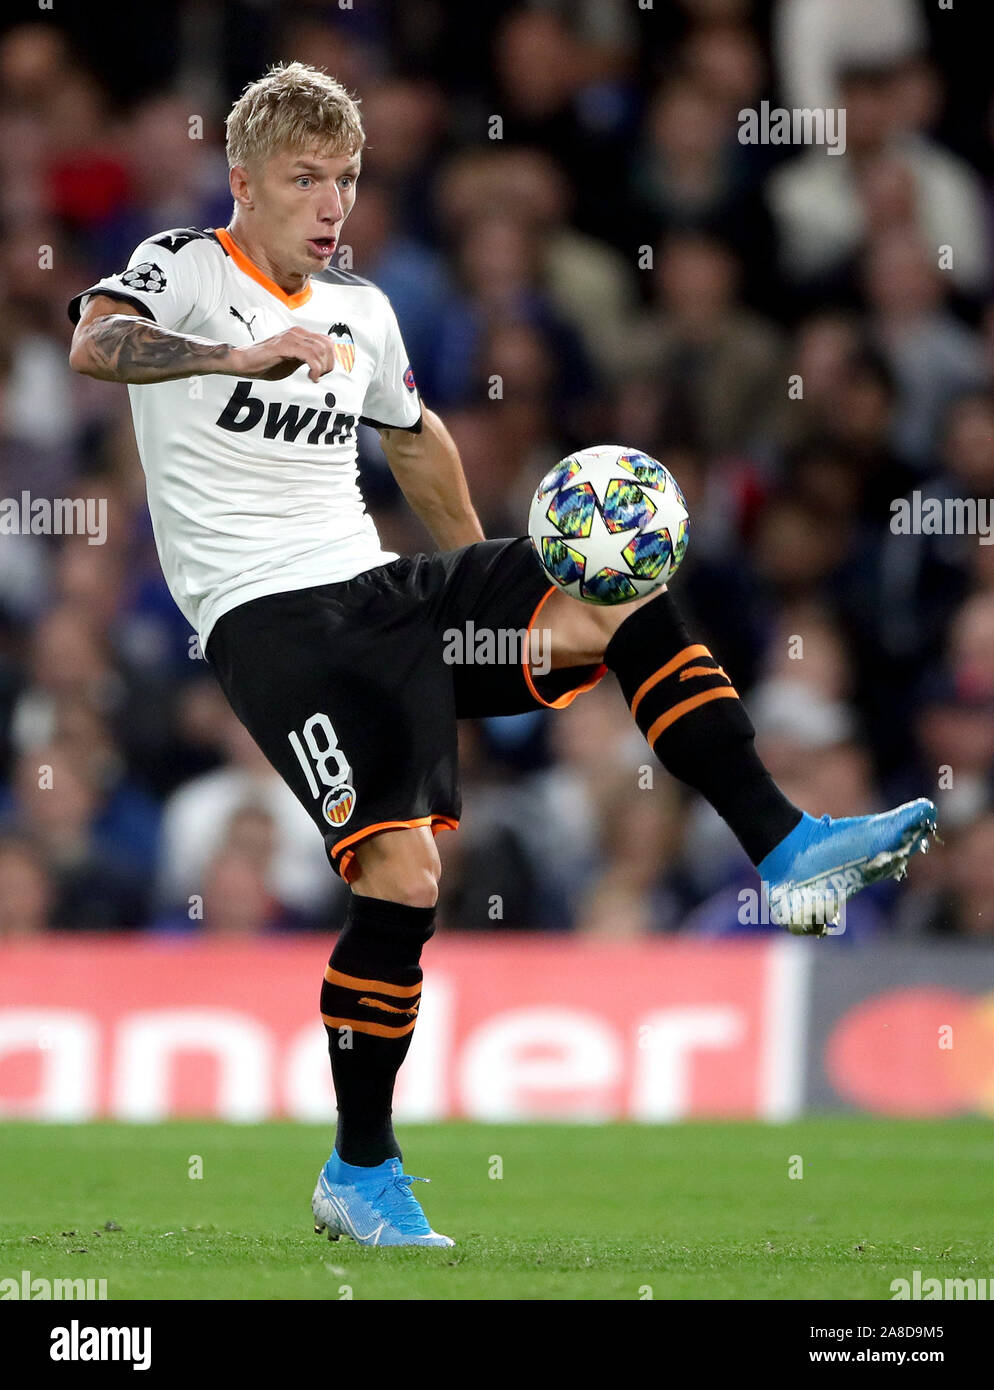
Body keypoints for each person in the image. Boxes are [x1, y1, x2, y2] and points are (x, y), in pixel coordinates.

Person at [67, 62, 935, 1248]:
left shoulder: (361, 312)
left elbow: (417, 446)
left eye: (348, 181)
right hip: (271, 623)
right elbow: (99, 343)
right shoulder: (186, 271)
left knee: (615, 583)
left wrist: (478, 586)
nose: (331, 205)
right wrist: (233, 358)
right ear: (244, 183)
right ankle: (359, 1169)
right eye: (304, 180)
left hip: (385, 592)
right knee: (404, 878)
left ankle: (785, 844)